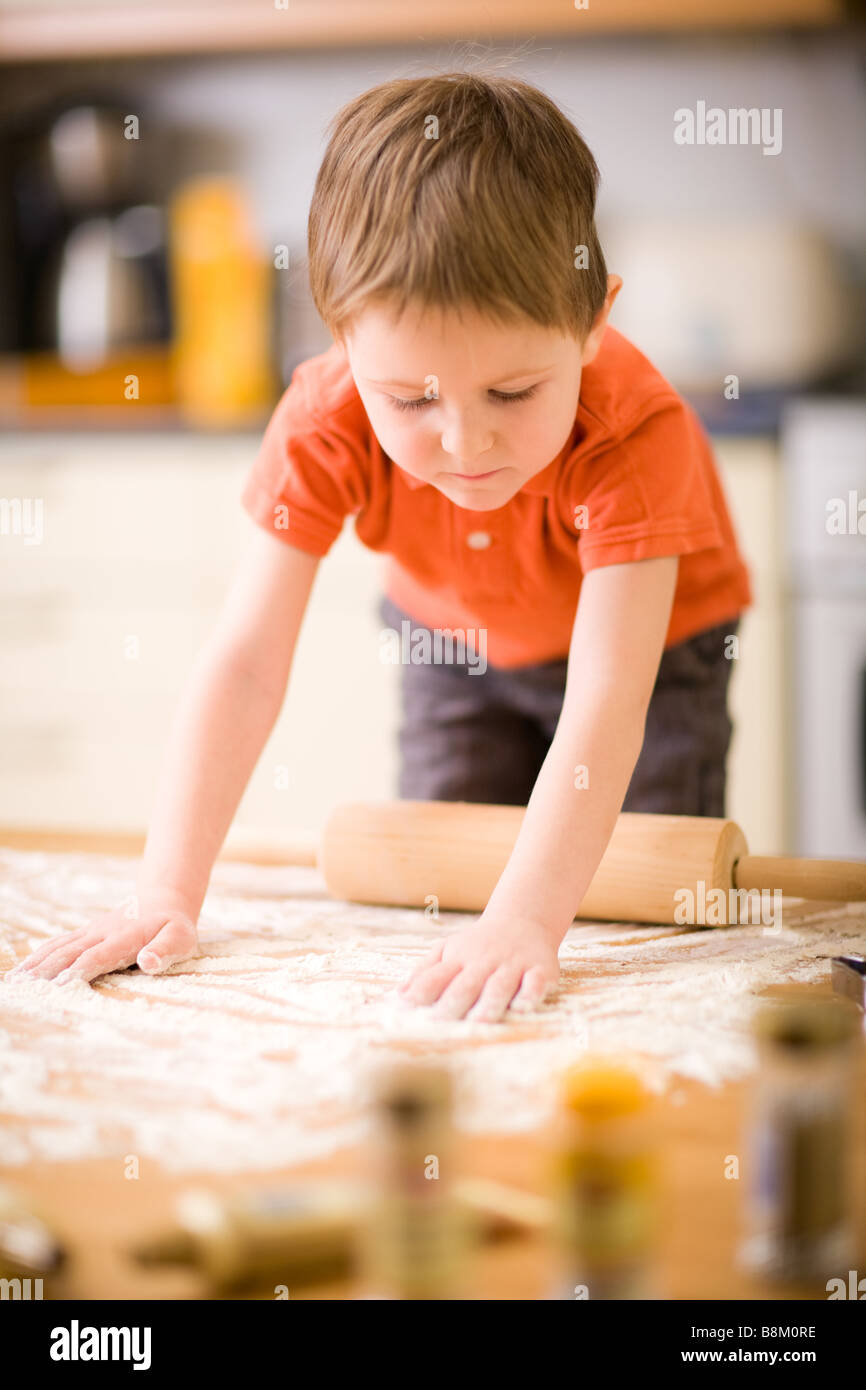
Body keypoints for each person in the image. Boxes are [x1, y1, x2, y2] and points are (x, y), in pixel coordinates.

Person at [9, 72, 752, 1021]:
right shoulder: (322, 420)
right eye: (410, 399)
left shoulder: (634, 434)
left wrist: (526, 919)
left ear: (595, 320)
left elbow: (604, 706)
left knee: (641, 926)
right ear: (342, 343)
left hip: (657, 658)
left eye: (515, 393)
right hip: (451, 646)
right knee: (439, 912)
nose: (466, 440)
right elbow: (244, 664)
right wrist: (165, 892)